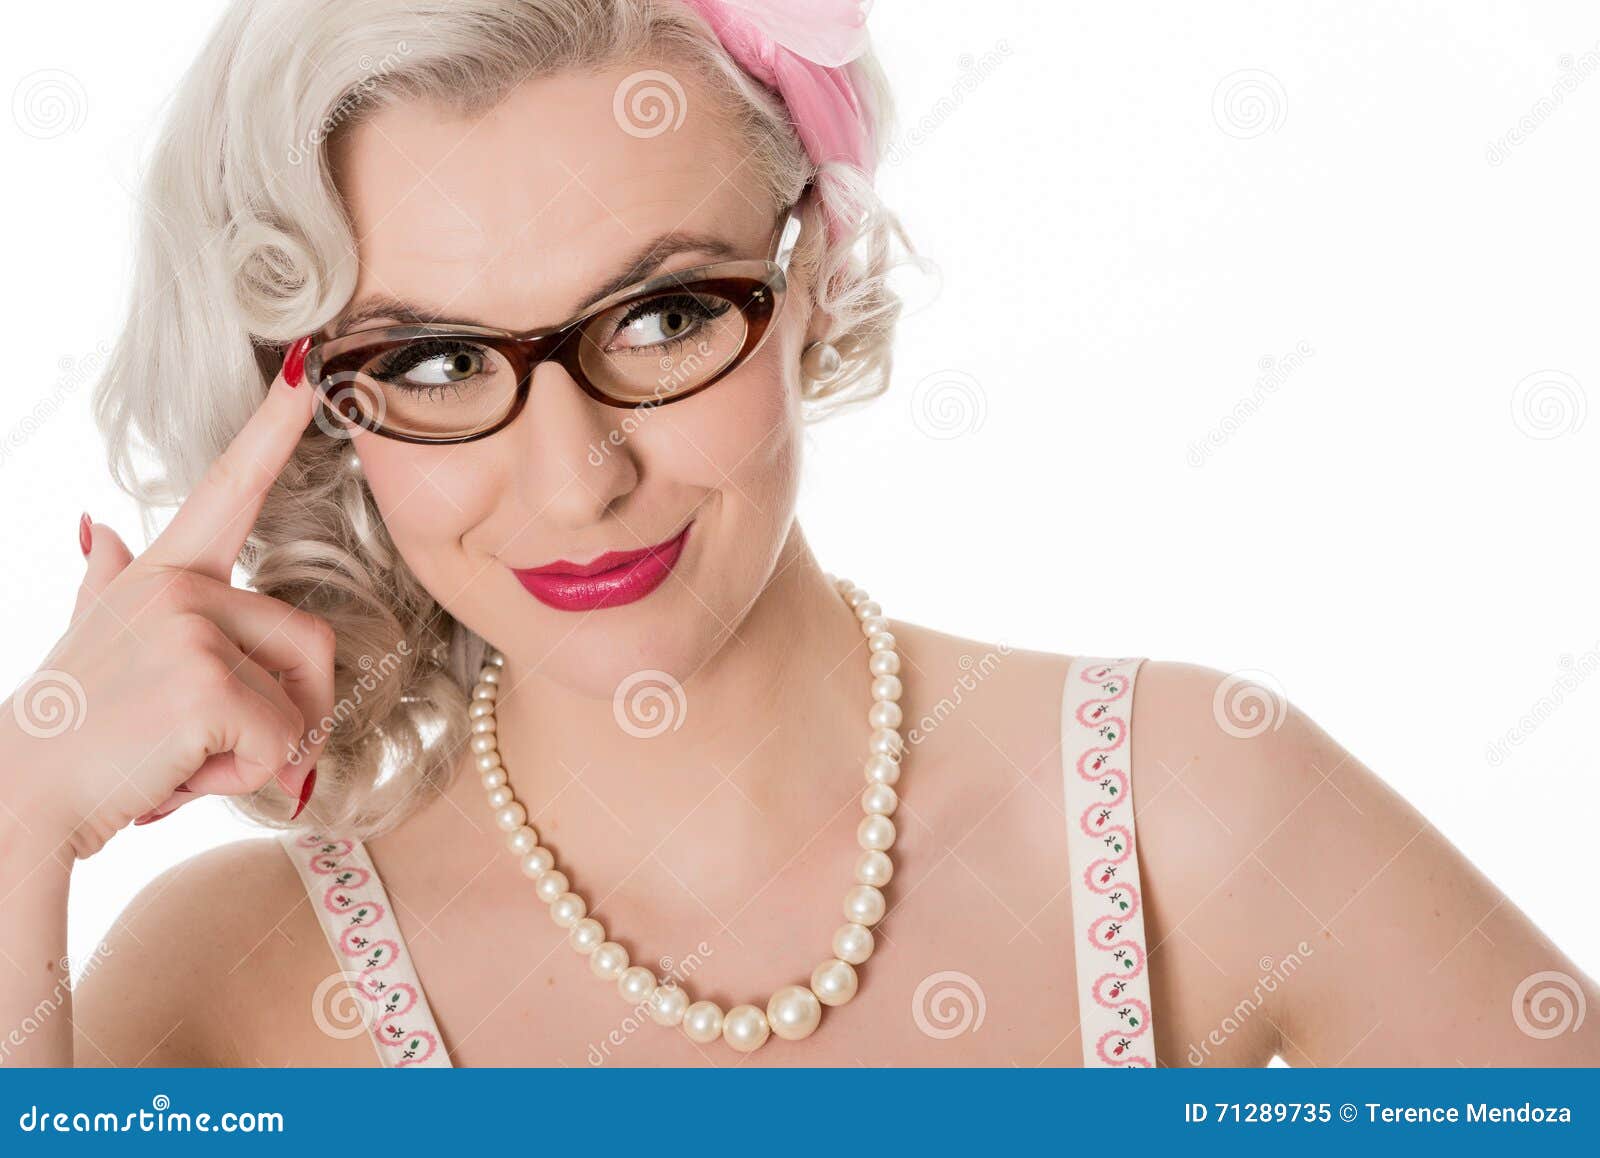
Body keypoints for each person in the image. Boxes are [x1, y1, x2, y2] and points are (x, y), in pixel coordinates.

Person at [2, 0, 1595, 1068]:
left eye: (666, 313)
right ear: (321, 407)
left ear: (816, 274)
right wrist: (17, 817)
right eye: (433, 360)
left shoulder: (1183, 804)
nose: (575, 480)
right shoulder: (233, 987)